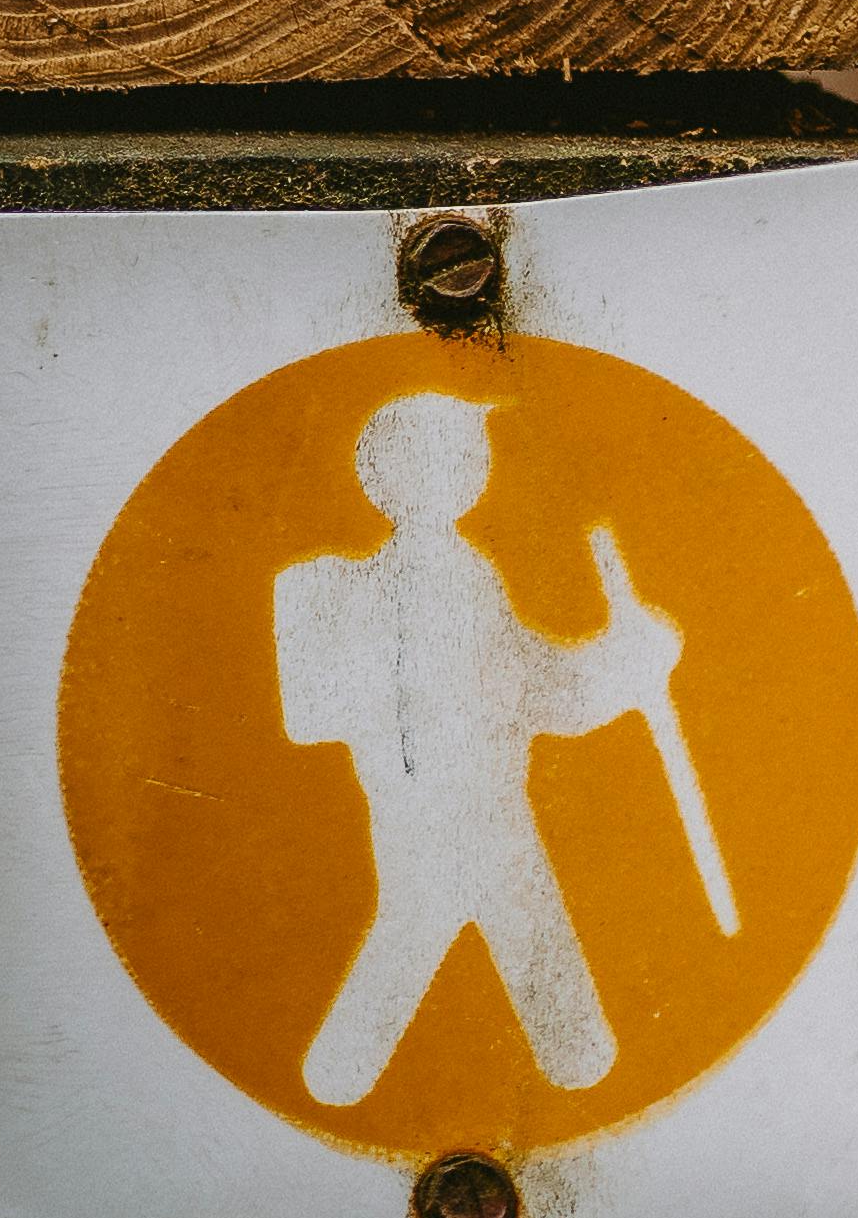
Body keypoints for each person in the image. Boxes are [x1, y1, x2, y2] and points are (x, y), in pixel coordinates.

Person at [275, 390, 687, 1106]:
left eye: (471, 455)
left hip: (483, 805)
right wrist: (620, 667)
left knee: (466, 926)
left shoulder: (467, 573)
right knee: (443, 922)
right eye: (451, 456)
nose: (468, 469)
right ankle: (340, 1079)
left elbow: (529, 681)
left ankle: (569, 1063)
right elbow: (528, 689)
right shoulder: (414, 586)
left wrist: (627, 659)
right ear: (385, 477)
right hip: (442, 811)